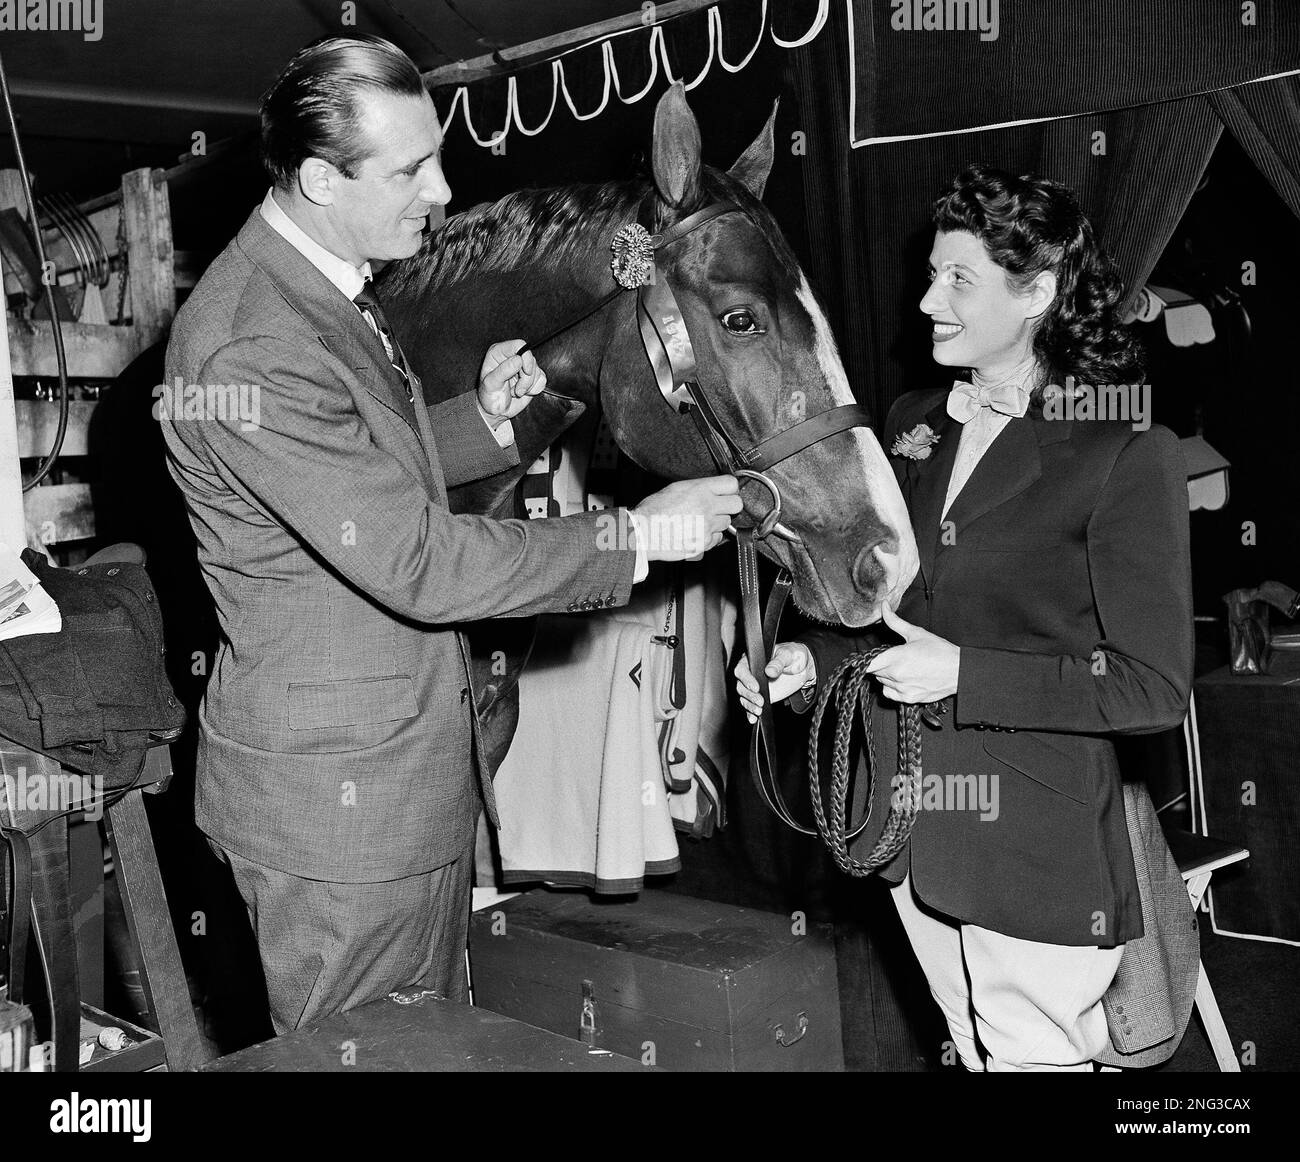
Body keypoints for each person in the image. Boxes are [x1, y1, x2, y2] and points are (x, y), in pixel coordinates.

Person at [162, 35, 741, 1033]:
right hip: (342, 811)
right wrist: (633, 541)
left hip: (388, 780)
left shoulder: (322, 279)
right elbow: (415, 560)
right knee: (377, 1055)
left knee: (424, 1043)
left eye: (436, 154)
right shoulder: (256, 335)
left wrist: (481, 421)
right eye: (408, 169)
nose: (442, 187)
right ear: (315, 180)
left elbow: (353, 479)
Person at [737, 165, 1193, 1071]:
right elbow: (894, 613)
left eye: (959, 280)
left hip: (1034, 845)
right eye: (932, 273)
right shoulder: (911, 424)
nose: (926, 300)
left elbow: (1153, 689)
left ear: (1040, 293)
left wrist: (966, 675)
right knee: (976, 1054)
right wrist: (808, 663)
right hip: (910, 829)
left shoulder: (1127, 449)